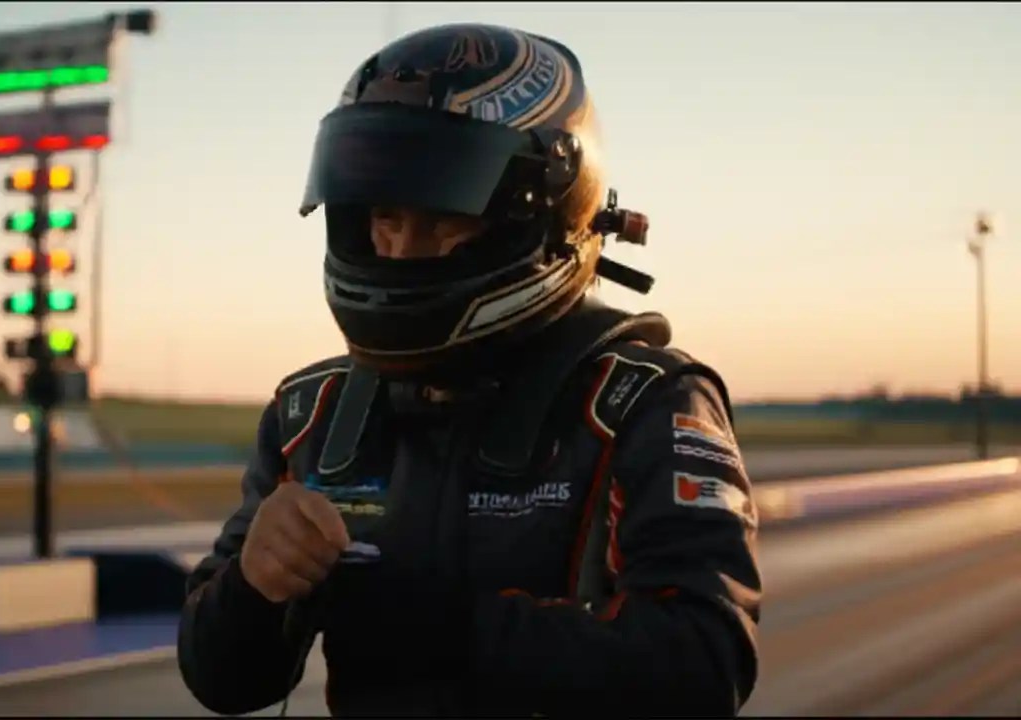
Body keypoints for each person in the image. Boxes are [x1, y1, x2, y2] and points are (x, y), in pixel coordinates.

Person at [178, 22, 761, 718]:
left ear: (542, 215)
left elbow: (705, 660)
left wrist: (448, 629)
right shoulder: (313, 414)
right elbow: (221, 680)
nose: (403, 250)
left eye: (444, 217)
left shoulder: (641, 403)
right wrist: (252, 588)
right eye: (385, 217)